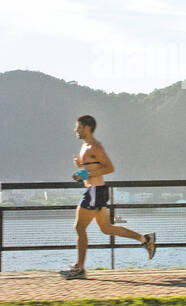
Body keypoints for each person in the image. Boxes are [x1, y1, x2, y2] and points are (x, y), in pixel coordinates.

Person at [61, 114, 156, 279]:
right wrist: (81, 168)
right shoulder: (85, 146)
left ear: (87, 127)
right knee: (107, 228)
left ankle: (79, 268)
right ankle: (145, 239)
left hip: (94, 192)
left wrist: (85, 172)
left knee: (79, 228)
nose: (75, 130)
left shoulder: (95, 147)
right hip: (95, 191)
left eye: (78, 127)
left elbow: (109, 168)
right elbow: (91, 169)